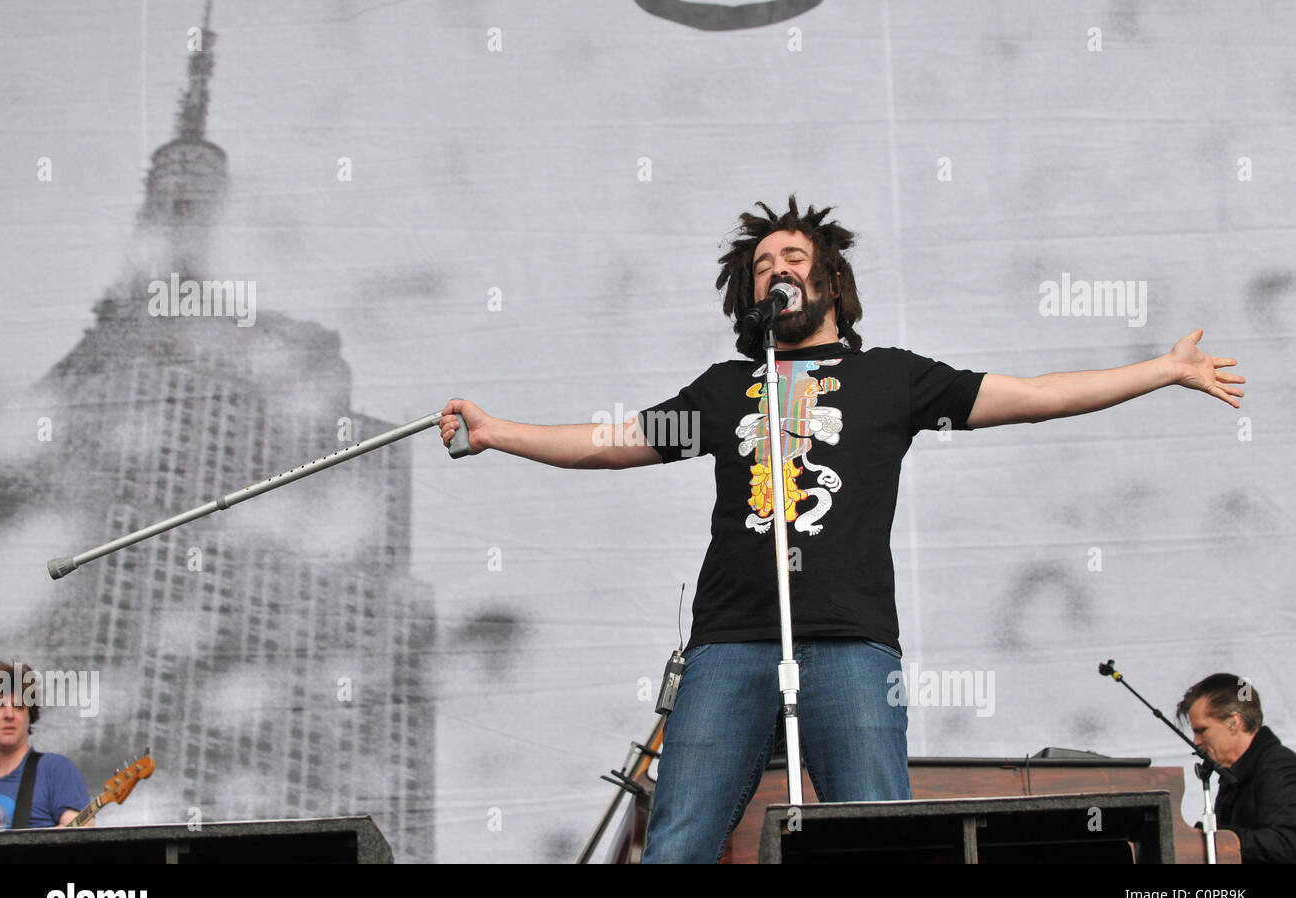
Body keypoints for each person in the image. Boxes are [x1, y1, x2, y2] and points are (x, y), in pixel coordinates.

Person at [437, 196, 1247, 863]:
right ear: (748, 296)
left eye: (793, 259)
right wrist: (498, 428)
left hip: (851, 644)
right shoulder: (726, 390)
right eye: (763, 266)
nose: (778, 271)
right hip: (729, 641)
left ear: (828, 278)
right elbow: (607, 443)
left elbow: (1034, 392)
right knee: (678, 840)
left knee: (877, 841)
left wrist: (1162, 370)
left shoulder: (890, 377)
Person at [1177, 673, 1296, 864]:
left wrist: (1216, 838)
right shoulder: (1233, 771)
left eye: (1201, 730)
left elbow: (1287, 844)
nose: (1196, 741)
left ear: (1234, 722)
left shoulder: (1278, 765)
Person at [0, 661, 92, 830]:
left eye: (18, 706)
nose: (9, 714)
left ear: (30, 715)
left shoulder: (56, 770)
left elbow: (81, 836)